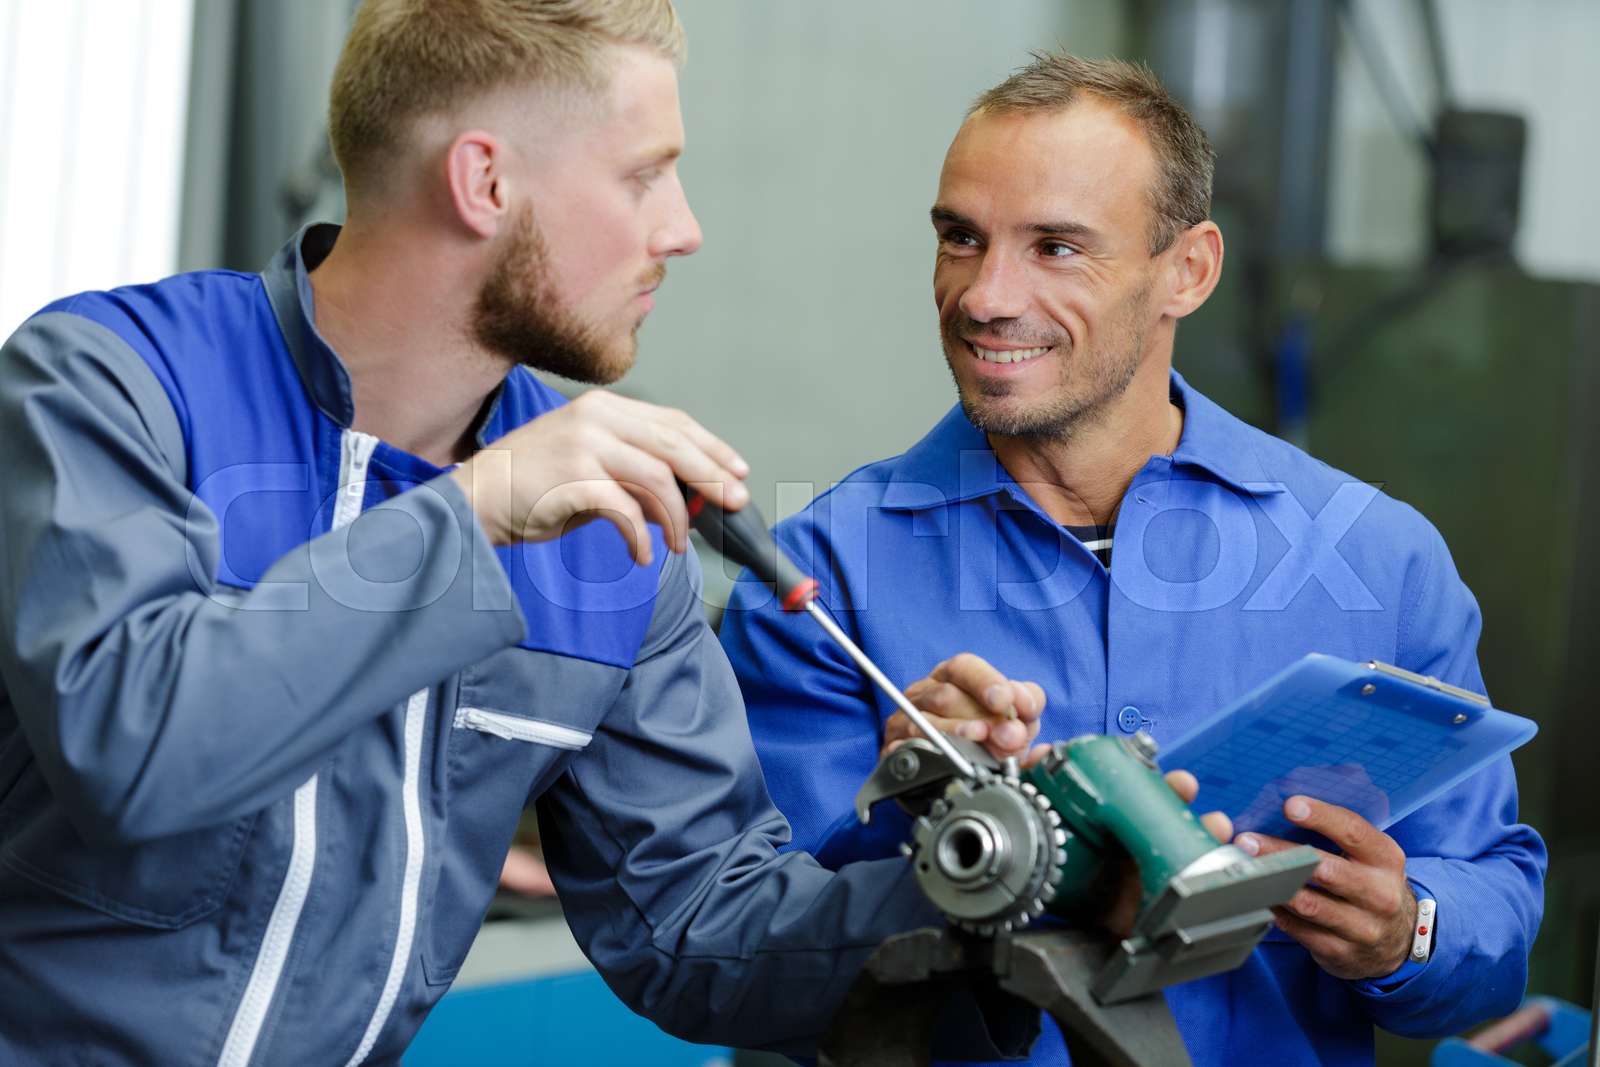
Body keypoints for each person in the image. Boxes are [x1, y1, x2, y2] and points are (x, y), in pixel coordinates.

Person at [0, 3, 1045, 1063]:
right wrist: (474, 512)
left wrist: (988, 880)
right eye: (643, 174)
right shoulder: (110, 381)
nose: (681, 227)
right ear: (485, 183)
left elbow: (698, 930)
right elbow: (132, 745)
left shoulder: (610, 526)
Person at [719, 53, 1546, 1067]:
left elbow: (1493, 914)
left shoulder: (1378, 558)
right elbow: (748, 958)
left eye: (1055, 247)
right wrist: (907, 818)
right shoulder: (821, 574)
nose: (985, 296)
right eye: (960, 238)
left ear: (1187, 271)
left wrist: (1405, 928)